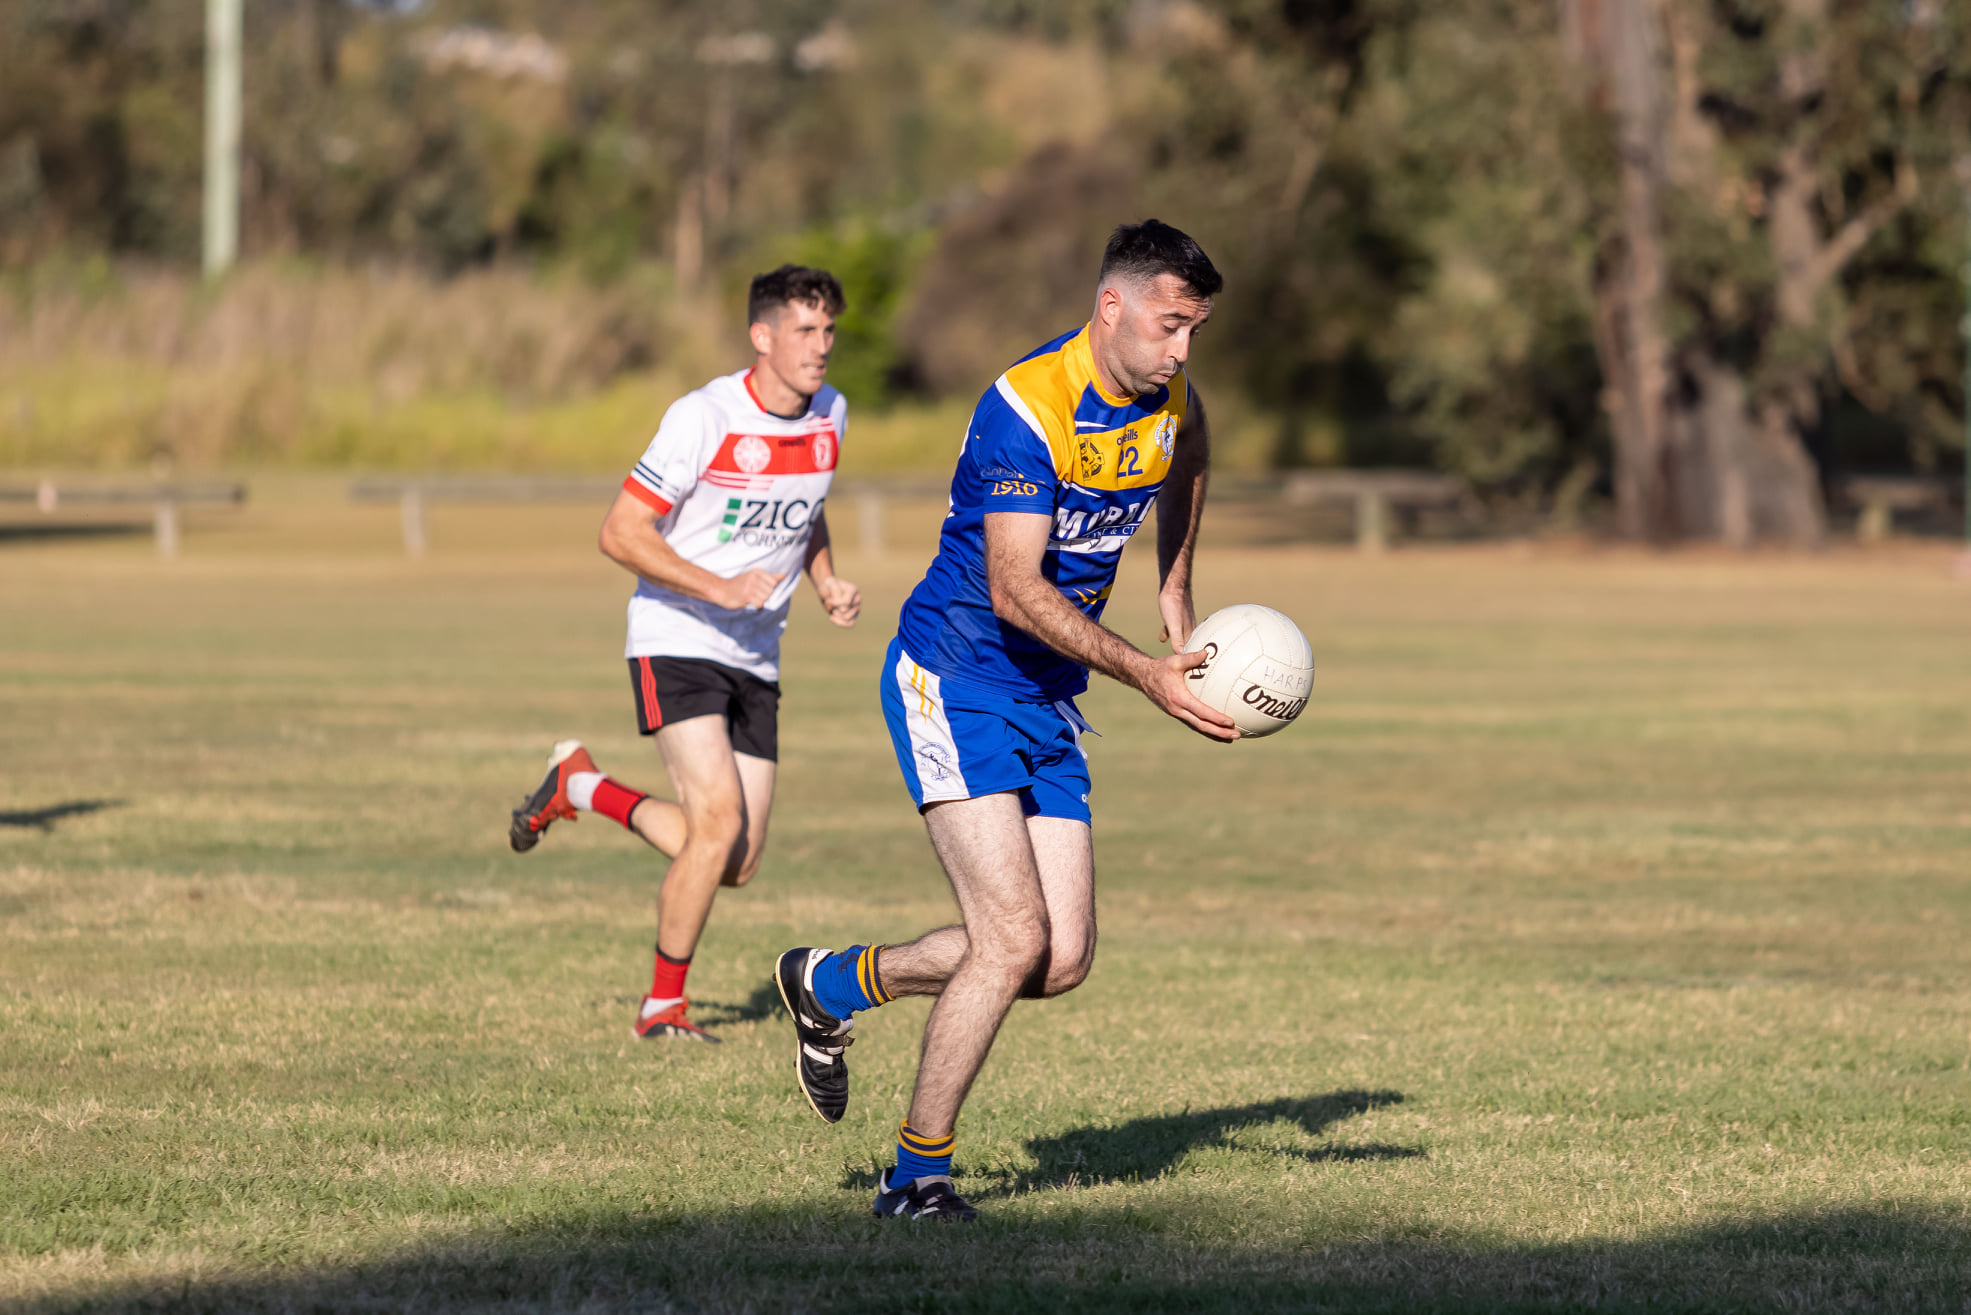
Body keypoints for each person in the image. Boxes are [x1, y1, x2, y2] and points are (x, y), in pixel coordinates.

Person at [773, 221, 1236, 1220]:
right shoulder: (1024, 409)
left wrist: (1177, 583)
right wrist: (1148, 677)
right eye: (1169, 326)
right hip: (955, 676)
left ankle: (838, 981)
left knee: (1057, 958)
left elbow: (1190, 451)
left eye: (1195, 329)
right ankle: (915, 1177)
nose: (1183, 351)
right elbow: (1018, 588)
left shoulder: (1170, 397)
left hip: (1044, 693)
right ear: (1110, 308)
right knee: (1009, 935)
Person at [510, 264, 861, 1044]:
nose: (821, 346)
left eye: (829, 330)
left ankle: (583, 785)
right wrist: (717, 586)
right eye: (805, 330)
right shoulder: (702, 416)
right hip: (677, 636)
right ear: (761, 336)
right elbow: (620, 532)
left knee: (735, 859)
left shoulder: (830, 413)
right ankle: (661, 1008)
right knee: (716, 822)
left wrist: (827, 580)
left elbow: (807, 507)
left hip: (757, 654)